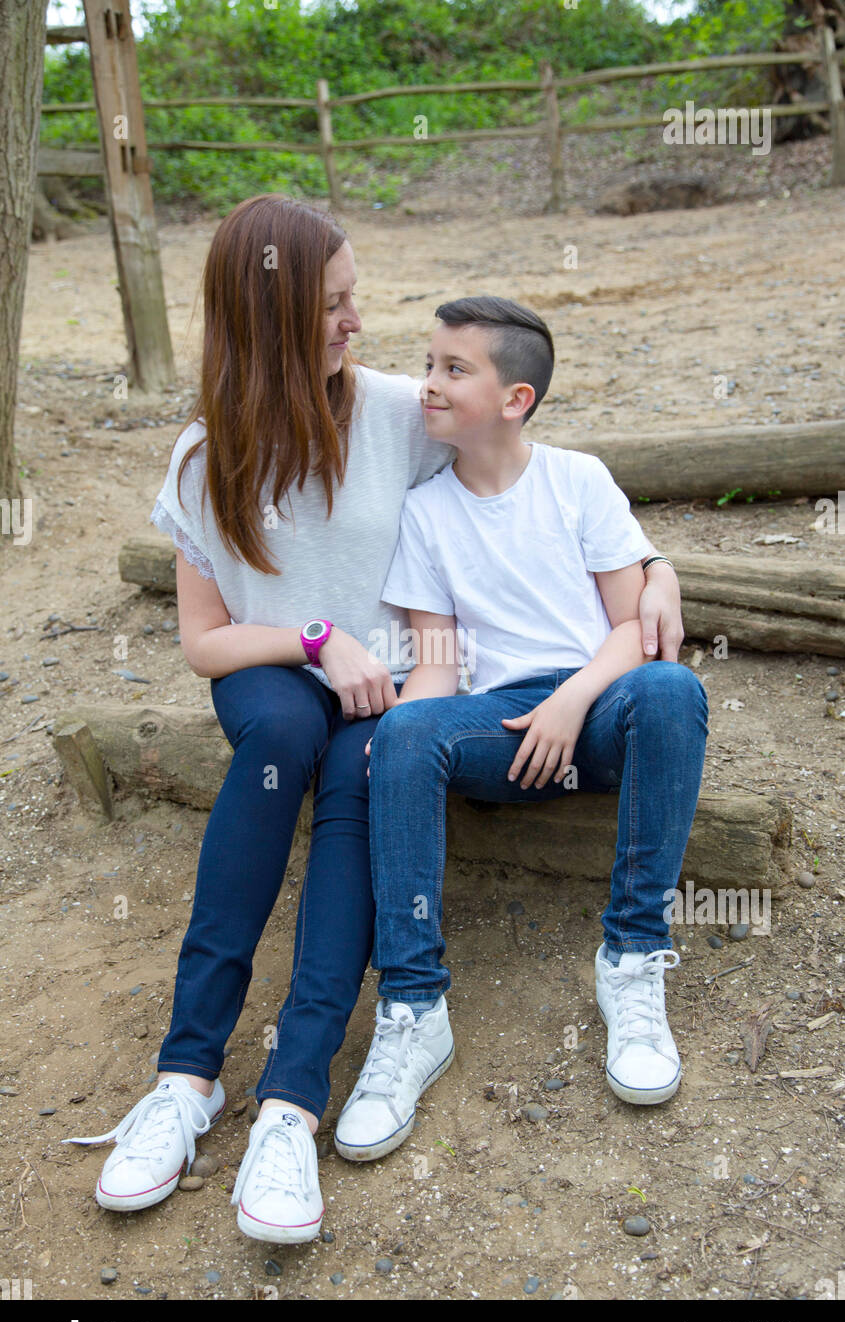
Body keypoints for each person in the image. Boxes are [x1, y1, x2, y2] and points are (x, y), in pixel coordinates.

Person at [64, 199, 686, 1244]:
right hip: (272, 667)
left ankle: (290, 1104)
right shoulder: (202, 455)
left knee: (358, 768)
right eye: (335, 304)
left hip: (385, 685)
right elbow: (207, 641)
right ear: (267, 315)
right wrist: (312, 635)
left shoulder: (400, 411)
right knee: (280, 741)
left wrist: (659, 567)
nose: (359, 321)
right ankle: (184, 1078)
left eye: (355, 298)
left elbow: (524, 454)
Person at [333, 296, 709, 1164]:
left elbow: (631, 627)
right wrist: (400, 733)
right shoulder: (424, 514)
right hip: (501, 724)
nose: (428, 384)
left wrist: (572, 699)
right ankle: (414, 1010)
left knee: (669, 689)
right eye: (427, 364)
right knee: (406, 732)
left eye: (453, 369)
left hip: (598, 707)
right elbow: (433, 664)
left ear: (515, 399)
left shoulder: (576, 480)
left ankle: (632, 958)